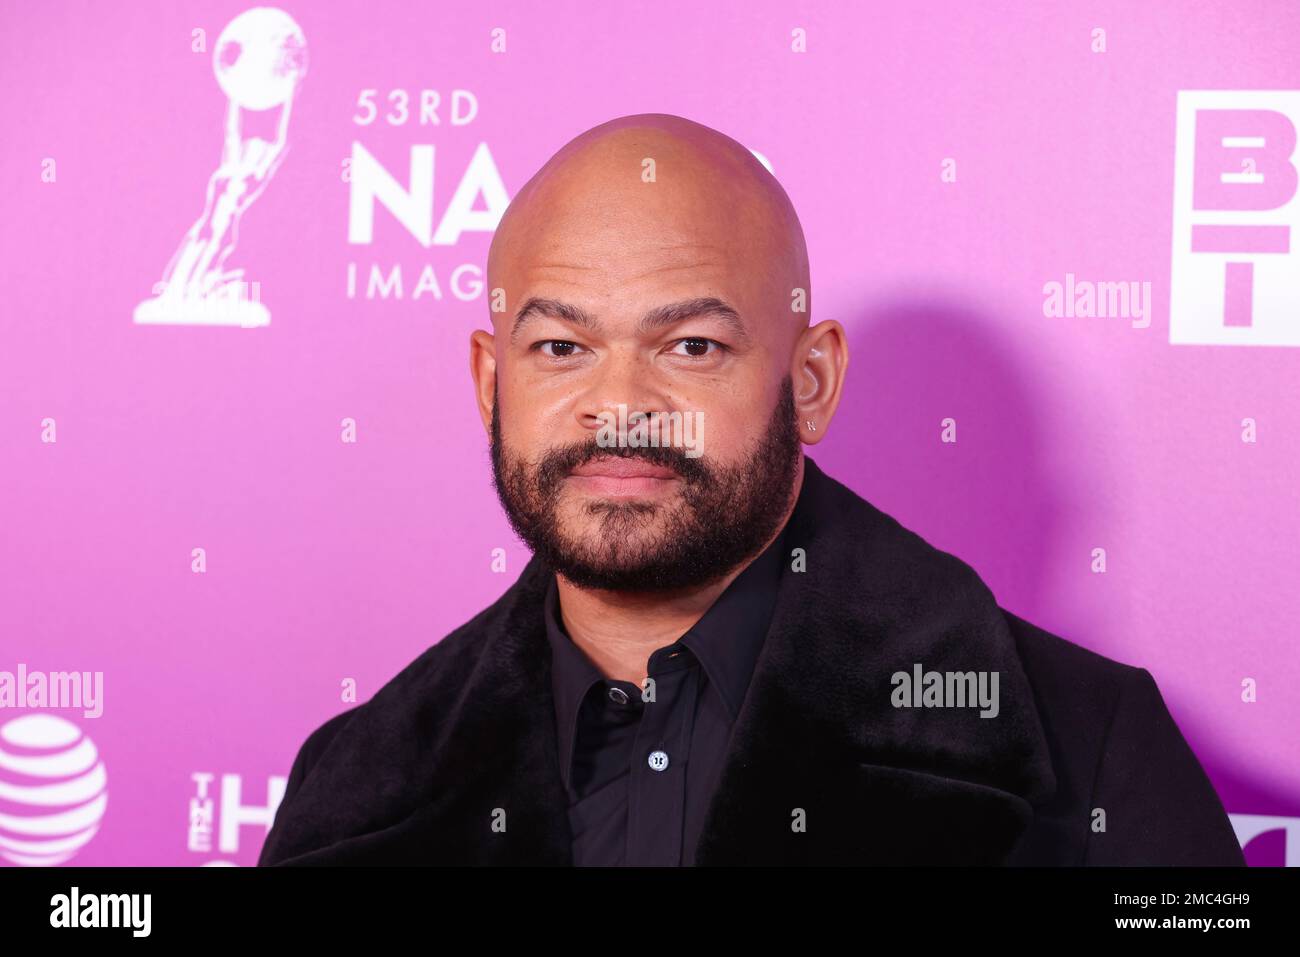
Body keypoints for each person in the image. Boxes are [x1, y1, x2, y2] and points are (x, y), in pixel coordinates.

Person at [258, 113, 1244, 866]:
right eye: (560, 347)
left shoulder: (1090, 753)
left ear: (807, 383)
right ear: (491, 384)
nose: (621, 406)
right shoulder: (353, 788)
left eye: (691, 346)